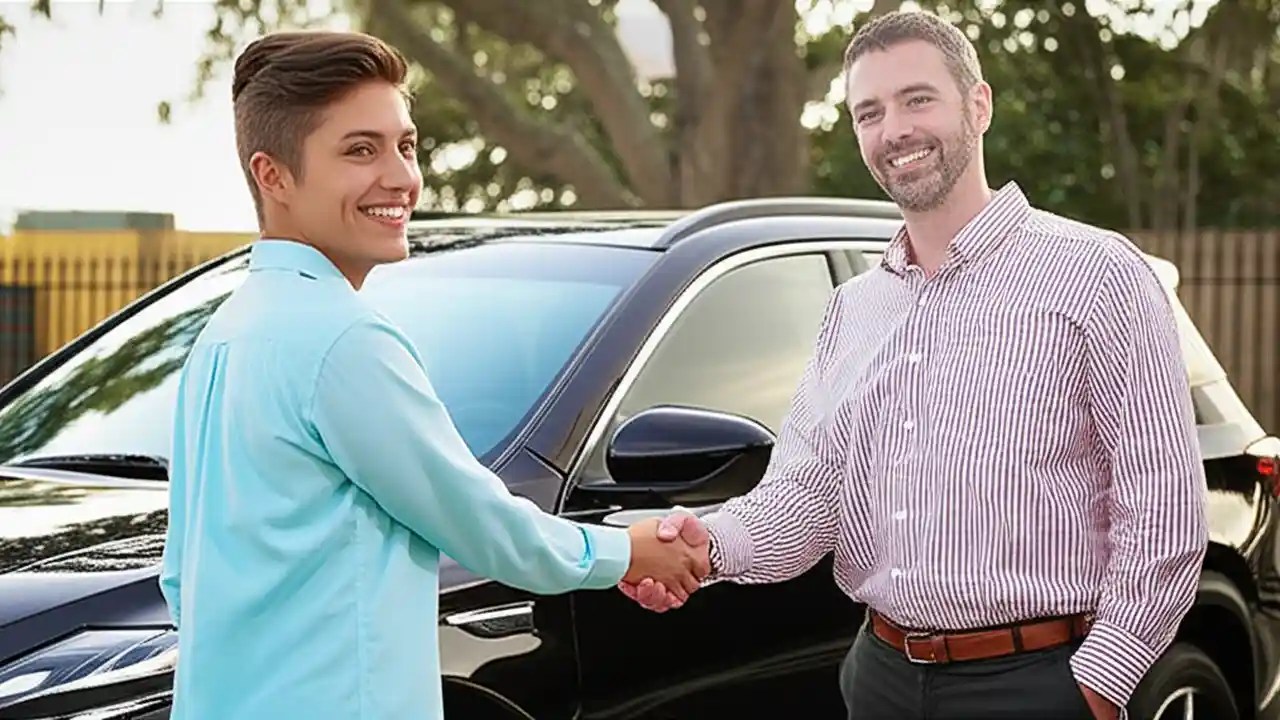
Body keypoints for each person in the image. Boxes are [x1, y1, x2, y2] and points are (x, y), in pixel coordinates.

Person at [620, 9, 1208, 720]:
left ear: (979, 105)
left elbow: (1163, 508)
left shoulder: (1096, 274)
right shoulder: (853, 309)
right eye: (869, 112)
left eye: (917, 99)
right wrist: (699, 545)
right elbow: (804, 501)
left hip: (1038, 685)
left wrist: (1097, 685)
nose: (894, 129)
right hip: (880, 679)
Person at [158, 30, 706, 720]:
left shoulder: (228, 331)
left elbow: (182, 577)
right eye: (361, 150)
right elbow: (479, 524)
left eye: (406, 146)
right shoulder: (342, 336)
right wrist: (625, 550)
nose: (401, 178)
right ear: (274, 176)